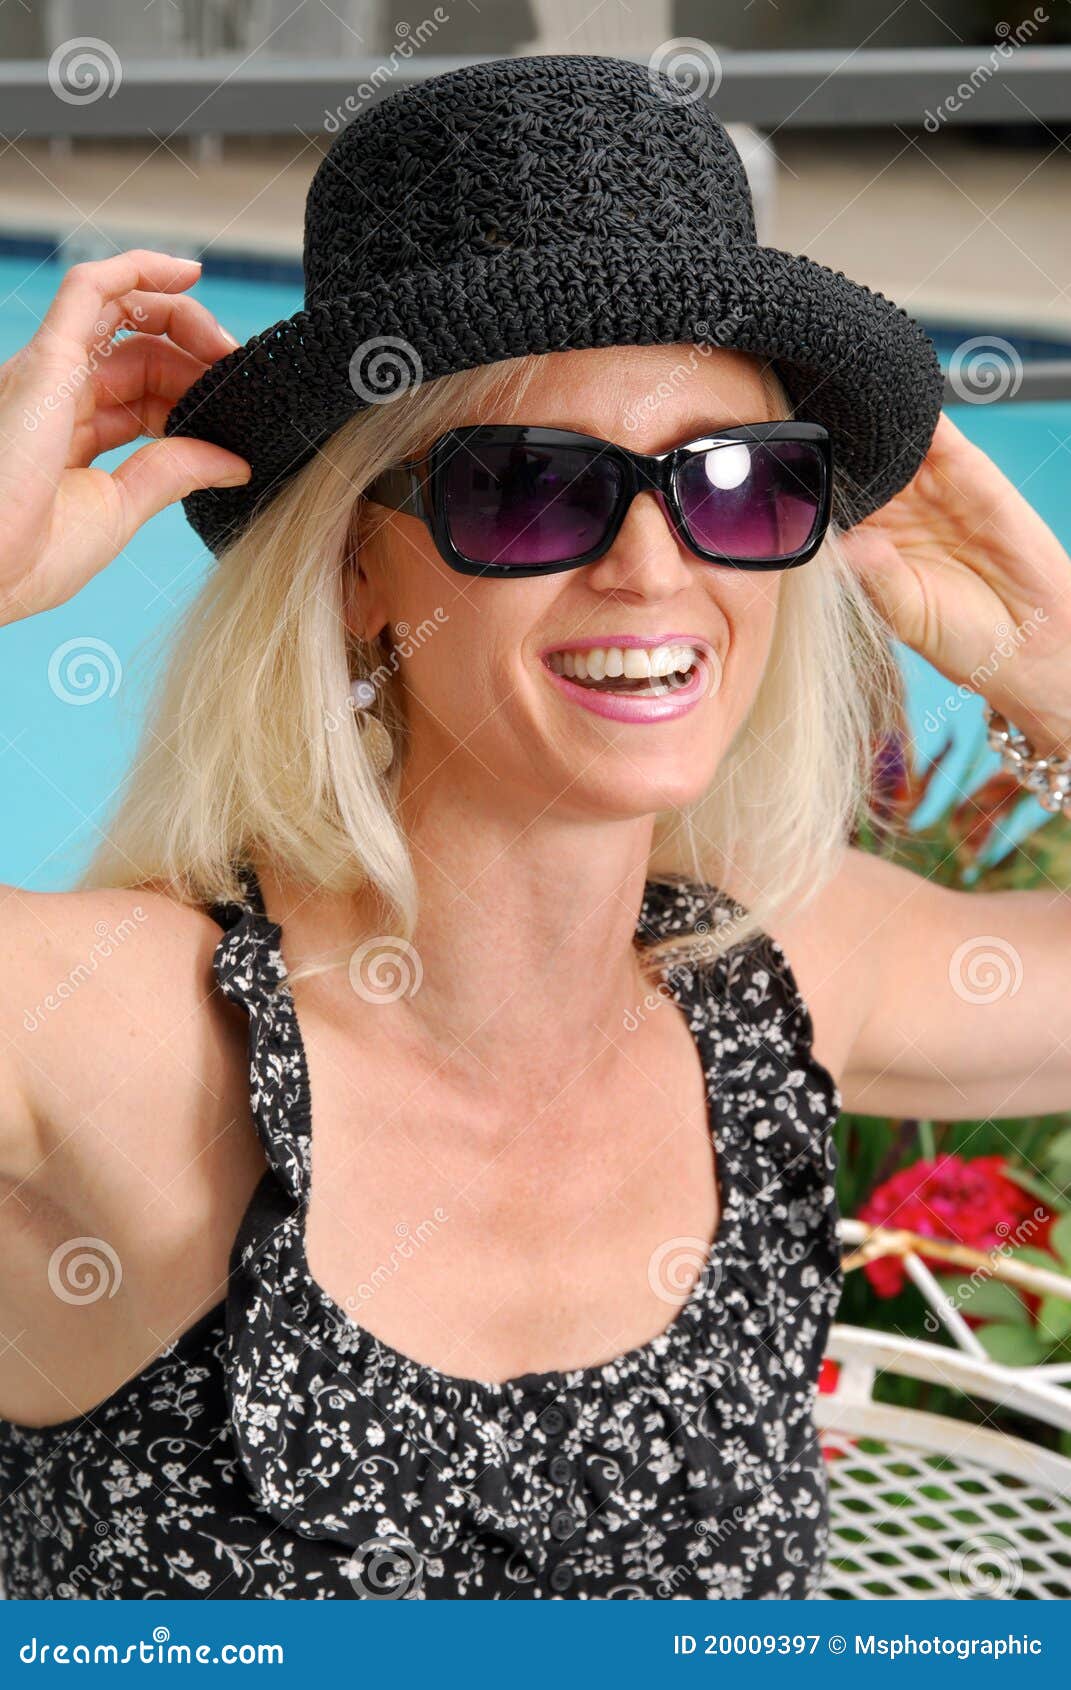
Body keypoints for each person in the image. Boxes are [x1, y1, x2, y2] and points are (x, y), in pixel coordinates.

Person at [1, 54, 1068, 1602]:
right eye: (528, 487)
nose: (654, 567)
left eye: (734, 481)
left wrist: (1052, 668)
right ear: (356, 570)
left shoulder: (779, 966)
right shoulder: (123, 1041)